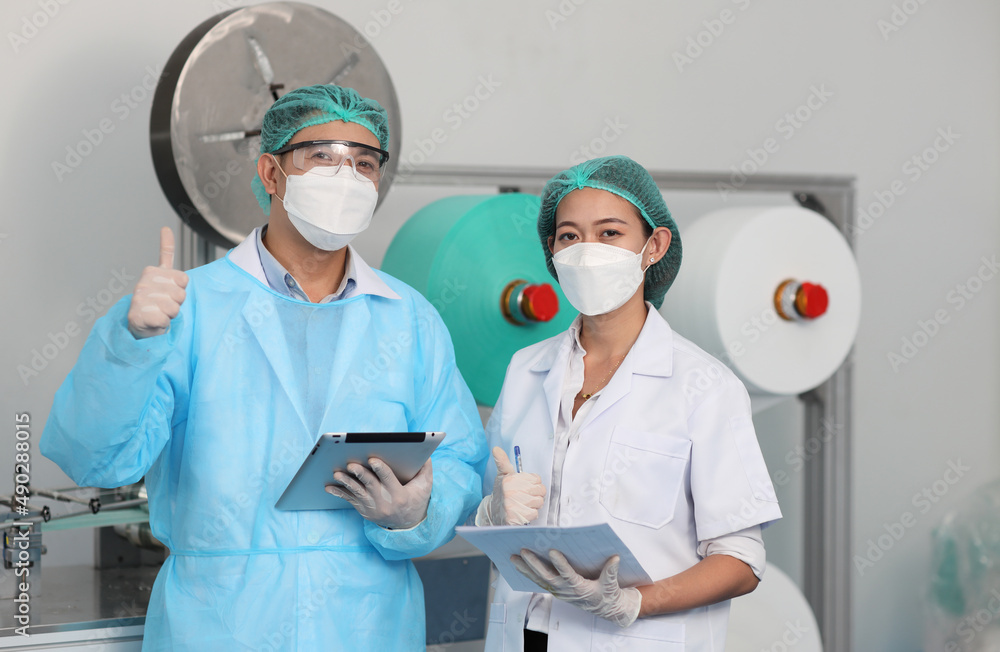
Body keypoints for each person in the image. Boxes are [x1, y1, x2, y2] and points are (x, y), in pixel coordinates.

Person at [40, 84, 487, 651]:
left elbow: (460, 462)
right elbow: (95, 458)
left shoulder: (409, 320)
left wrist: (416, 509)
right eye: (322, 157)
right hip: (221, 625)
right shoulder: (187, 308)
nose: (345, 176)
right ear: (271, 173)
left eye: (364, 163)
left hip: (367, 626)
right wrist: (131, 343)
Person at [476, 155, 782, 651]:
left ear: (653, 245)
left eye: (610, 233)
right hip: (523, 636)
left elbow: (741, 560)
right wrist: (492, 512)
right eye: (570, 236)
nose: (586, 251)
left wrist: (636, 602)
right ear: (551, 251)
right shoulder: (524, 370)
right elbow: (496, 515)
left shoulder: (703, 385)